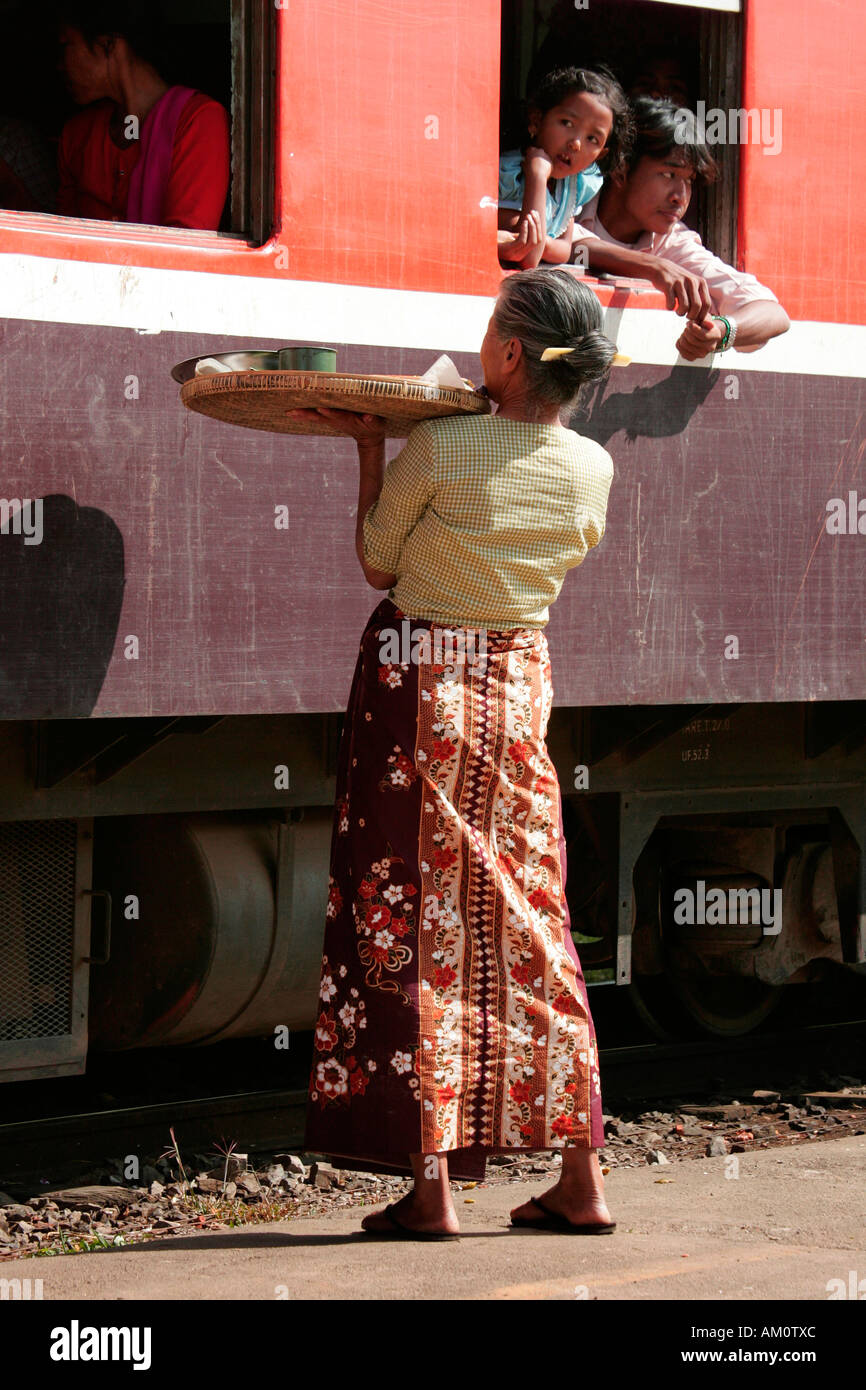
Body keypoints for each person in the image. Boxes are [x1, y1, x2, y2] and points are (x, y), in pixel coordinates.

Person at [294, 270, 619, 1239]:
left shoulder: (437, 444)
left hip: (419, 692)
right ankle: (579, 1173)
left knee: (412, 915)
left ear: (510, 354)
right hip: (516, 692)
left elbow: (379, 560)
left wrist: (368, 449)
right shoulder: (591, 468)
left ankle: (430, 1186)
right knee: (530, 919)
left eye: (490, 331)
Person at [572, 98, 790, 360]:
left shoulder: (671, 242)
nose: (680, 196)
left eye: (689, 180)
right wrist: (653, 268)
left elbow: (773, 313)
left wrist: (722, 331)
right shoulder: (569, 201)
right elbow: (569, 243)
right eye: (668, 175)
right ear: (621, 168)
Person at [54, 1, 229, 230]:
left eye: (66, 45)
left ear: (108, 44)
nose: (59, 65)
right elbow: (61, 238)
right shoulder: (77, 135)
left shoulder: (197, 121)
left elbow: (187, 249)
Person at [499, 67, 632, 271]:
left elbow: (564, 249)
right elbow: (529, 256)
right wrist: (537, 176)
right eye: (567, 123)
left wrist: (544, 242)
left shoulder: (572, 185)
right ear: (536, 120)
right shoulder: (509, 177)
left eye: (592, 139)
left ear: (600, 155)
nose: (576, 144)